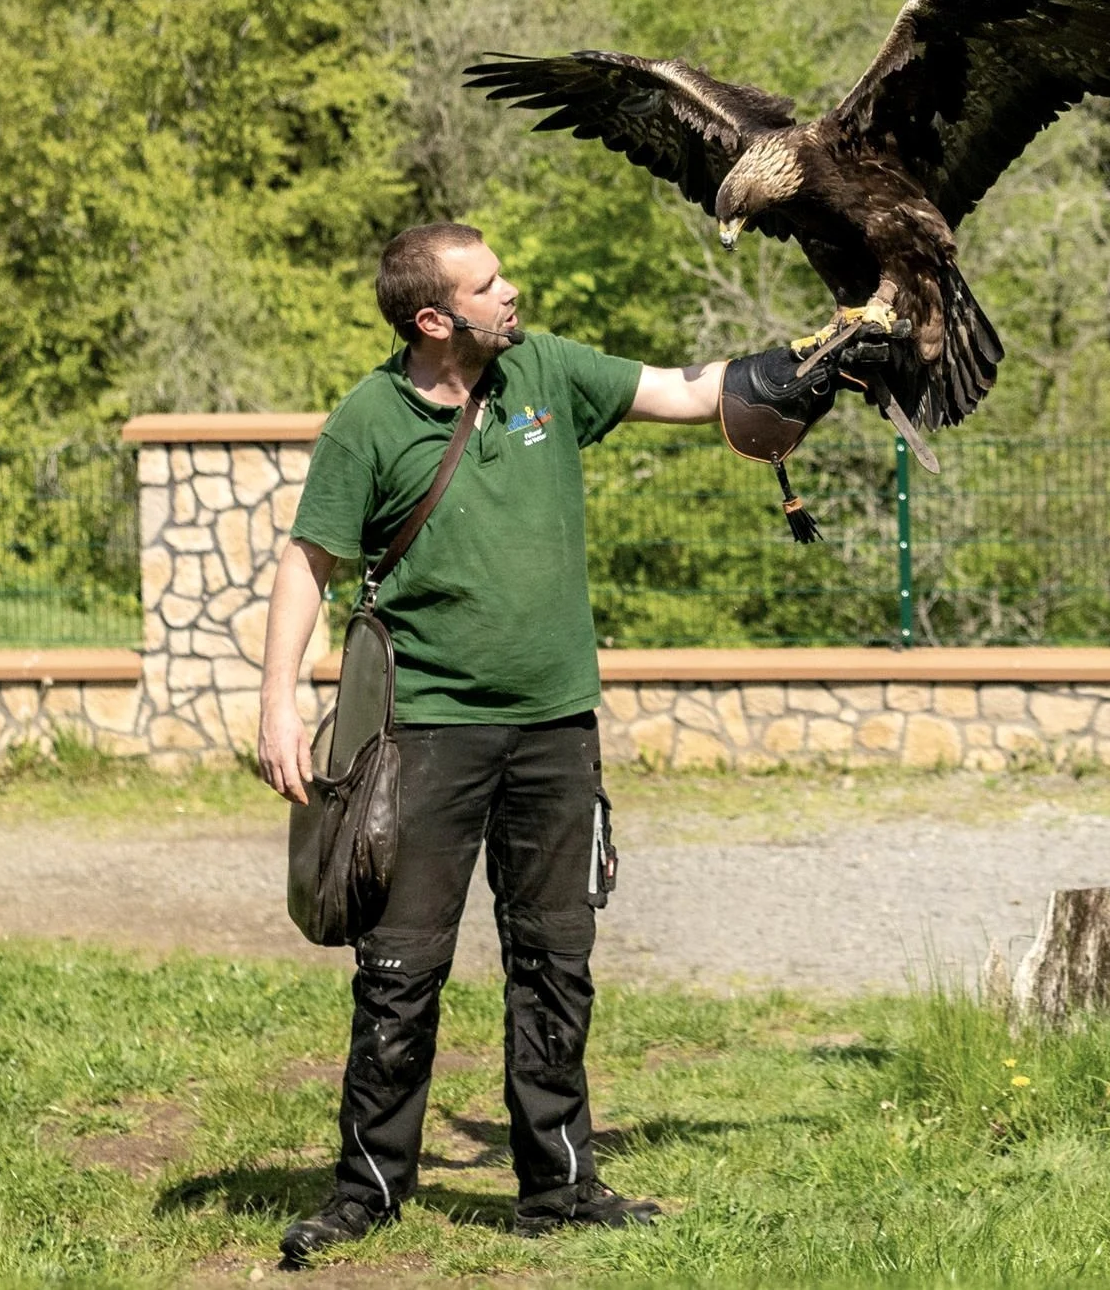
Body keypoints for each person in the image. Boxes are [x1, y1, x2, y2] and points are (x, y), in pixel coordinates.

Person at [257, 220, 763, 1267]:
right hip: (426, 732)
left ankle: (559, 1188)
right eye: (488, 284)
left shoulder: (546, 368)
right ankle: (368, 1189)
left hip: (554, 726)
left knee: (555, 959)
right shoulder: (370, 418)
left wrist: (814, 357)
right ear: (434, 317)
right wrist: (275, 705)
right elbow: (309, 560)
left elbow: (686, 388)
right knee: (400, 965)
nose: (512, 290)